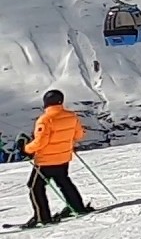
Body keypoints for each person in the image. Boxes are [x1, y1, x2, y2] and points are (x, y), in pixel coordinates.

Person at [22, 89, 94, 228]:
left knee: (35, 187)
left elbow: (40, 142)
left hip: (45, 161)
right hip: (63, 157)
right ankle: (78, 207)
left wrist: (26, 149)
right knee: (64, 182)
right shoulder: (72, 116)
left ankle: (42, 217)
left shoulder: (45, 119)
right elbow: (79, 135)